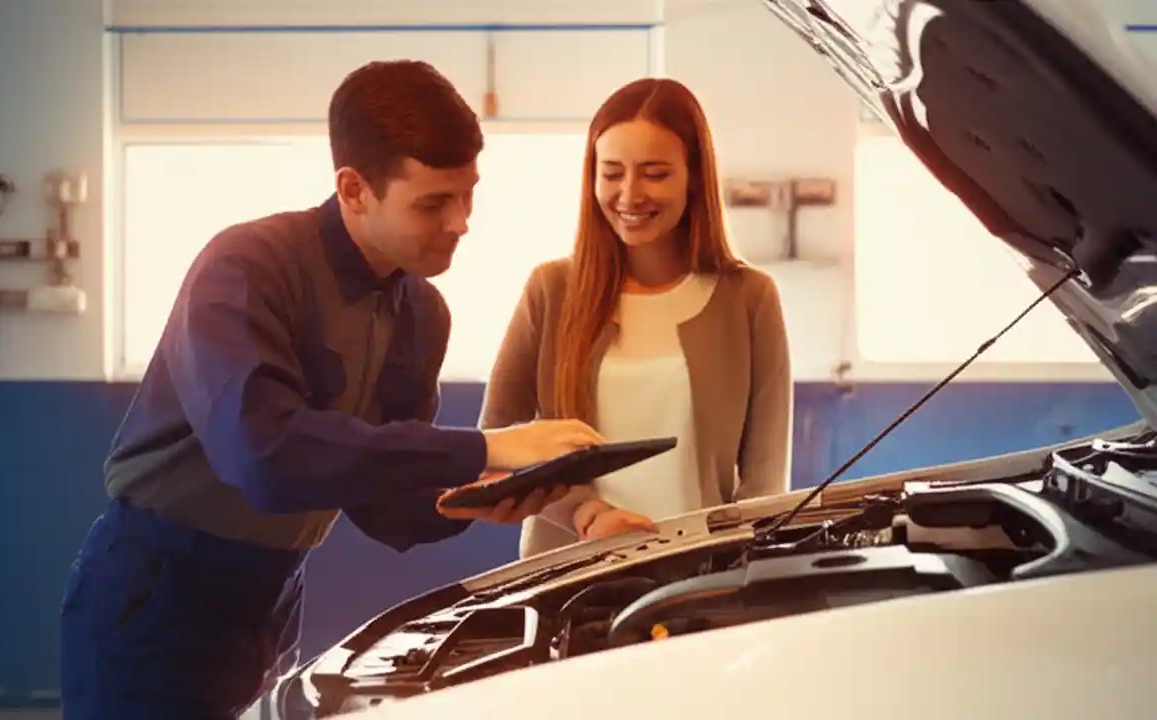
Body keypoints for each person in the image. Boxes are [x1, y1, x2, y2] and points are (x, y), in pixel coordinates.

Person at [58, 59, 602, 719]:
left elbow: (386, 507)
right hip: (161, 589)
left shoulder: (422, 312)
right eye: (433, 202)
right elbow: (265, 458)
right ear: (353, 189)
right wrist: (488, 446)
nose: (461, 222)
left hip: (273, 596)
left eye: (468, 195)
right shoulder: (245, 267)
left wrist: (477, 500)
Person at [481, 77, 793, 558]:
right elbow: (496, 447)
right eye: (611, 173)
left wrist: (738, 570)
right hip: (569, 571)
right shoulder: (550, 289)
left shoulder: (750, 298)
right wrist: (586, 515)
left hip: (701, 573)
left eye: (655, 173)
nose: (629, 195)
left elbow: (765, 479)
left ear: (694, 176)